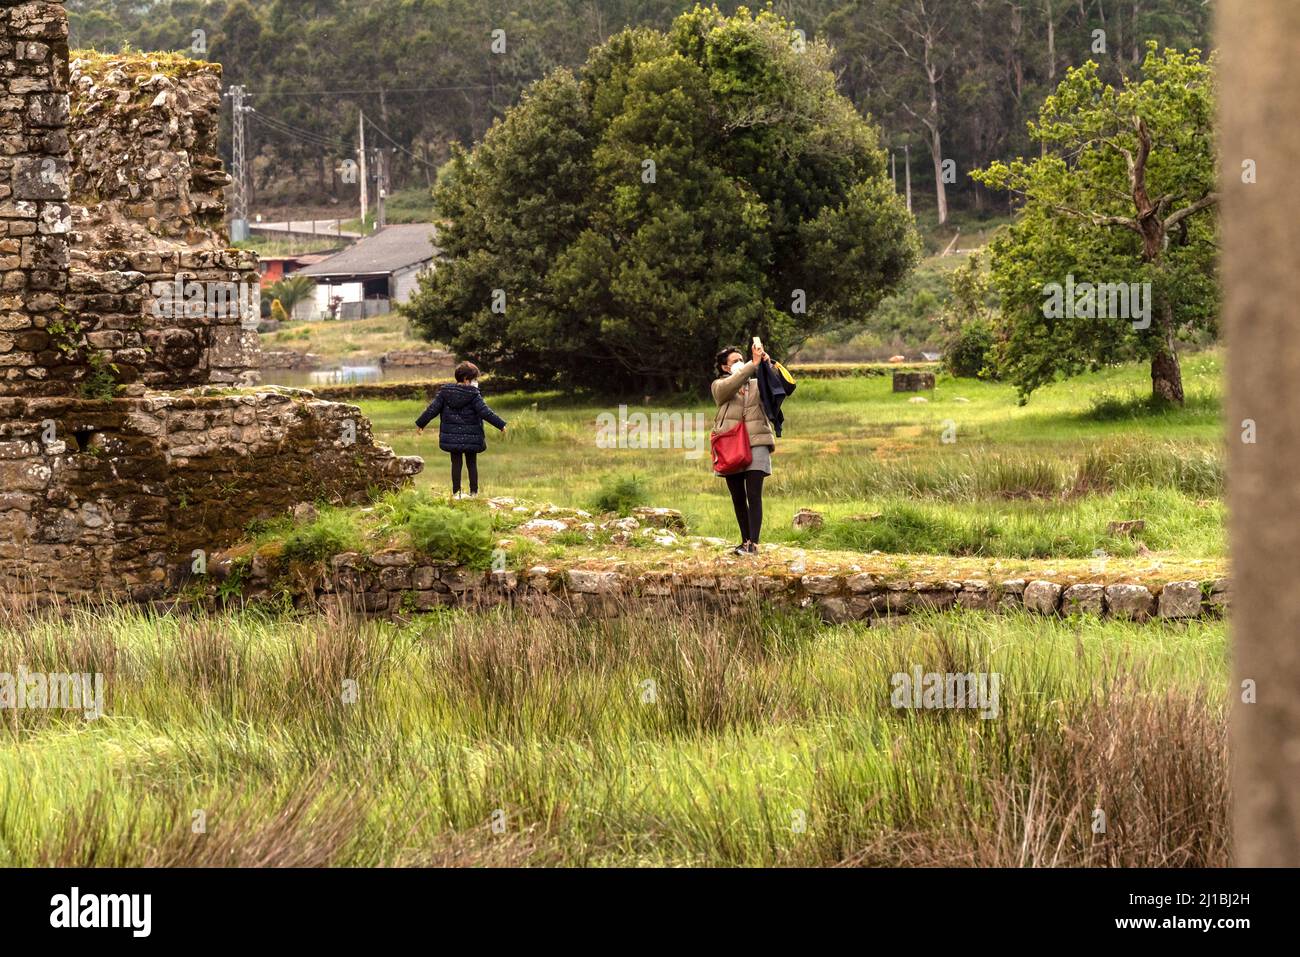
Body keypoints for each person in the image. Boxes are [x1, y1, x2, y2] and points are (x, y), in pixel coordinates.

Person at [711, 342, 775, 555]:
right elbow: (728, 388)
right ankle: (745, 540)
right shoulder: (720, 386)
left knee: (754, 494)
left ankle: (753, 545)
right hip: (730, 446)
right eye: (735, 361)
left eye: (742, 359)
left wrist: (767, 364)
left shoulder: (758, 384)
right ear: (725, 368)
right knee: (738, 496)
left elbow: (780, 387)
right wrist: (751, 364)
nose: (740, 363)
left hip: (756, 442)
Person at [415, 361, 507, 498]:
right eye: (474, 379)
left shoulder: (444, 393)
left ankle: (456, 493)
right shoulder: (474, 395)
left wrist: (421, 424)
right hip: (472, 437)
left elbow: (432, 409)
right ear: (466, 379)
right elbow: (485, 412)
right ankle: (474, 493)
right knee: (472, 464)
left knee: (456, 464)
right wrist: (500, 425)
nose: (476, 382)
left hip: (452, 437)